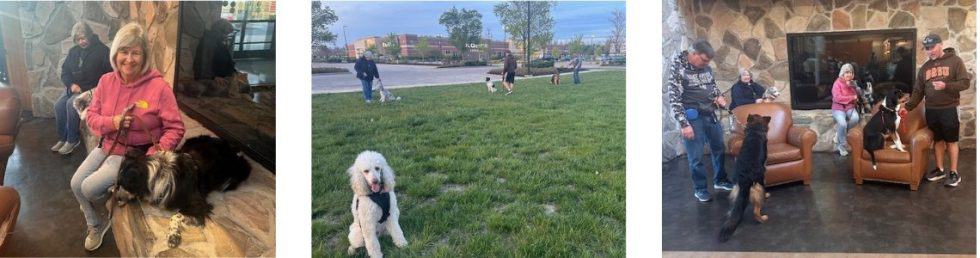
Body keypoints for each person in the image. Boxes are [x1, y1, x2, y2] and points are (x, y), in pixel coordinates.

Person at [70, 23, 185, 251]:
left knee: (89, 189)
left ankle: (123, 190)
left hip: (135, 155)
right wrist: (112, 122)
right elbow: (91, 116)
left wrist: (153, 155)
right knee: (75, 184)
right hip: (108, 145)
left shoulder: (159, 87)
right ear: (115, 54)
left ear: (144, 56)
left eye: (136, 53)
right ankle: (96, 223)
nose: (129, 59)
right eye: (124, 51)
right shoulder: (105, 81)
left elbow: (176, 128)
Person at [667, 39, 734, 202]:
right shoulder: (678, 69)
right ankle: (700, 189)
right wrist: (684, 124)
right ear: (693, 54)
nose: (706, 63)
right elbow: (674, 99)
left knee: (718, 148)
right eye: (704, 60)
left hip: (710, 114)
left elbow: (712, 86)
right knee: (696, 157)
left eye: (708, 61)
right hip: (692, 118)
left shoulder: (706, 68)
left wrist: (718, 97)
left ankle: (720, 180)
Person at [906, 33, 972, 187]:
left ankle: (954, 173)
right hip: (931, 110)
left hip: (949, 108)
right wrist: (907, 108)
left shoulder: (955, 61)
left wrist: (946, 86)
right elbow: (918, 92)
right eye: (927, 48)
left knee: (951, 141)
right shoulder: (925, 68)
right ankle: (940, 169)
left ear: (941, 44)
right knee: (938, 140)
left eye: (932, 47)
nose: (930, 51)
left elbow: (965, 83)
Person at [54, 21, 112, 155]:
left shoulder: (103, 51)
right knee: (58, 106)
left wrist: (96, 90)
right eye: (78, 39)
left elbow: (109, 76)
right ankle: (63, 137)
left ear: (90, 35)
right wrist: (71, 85)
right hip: (74, 88)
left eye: (84, 38)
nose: (82, 42)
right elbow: (65, 72)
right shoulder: (73, 51)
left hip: (92, 90)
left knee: (70, 104)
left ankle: (72, 140)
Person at [831, 63, 861, 156]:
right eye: (847, 72)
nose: (849, 74)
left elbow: (858, 95)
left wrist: (856, 88)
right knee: (843, 123)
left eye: (851, 72)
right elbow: (837, 98)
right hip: (838, 108)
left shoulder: (852, 83)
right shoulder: (837, 83)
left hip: (849, 107)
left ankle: (839, 134)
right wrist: (852, 97)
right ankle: (841, 146)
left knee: (855, 119)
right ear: (842, 73)